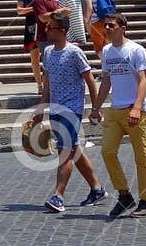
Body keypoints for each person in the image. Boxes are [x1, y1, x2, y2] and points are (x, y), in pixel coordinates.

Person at [37, 11, 108, 214]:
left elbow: (90, 80)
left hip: (72, 108)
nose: (46, 29)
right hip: (56, 108)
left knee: (65, 152)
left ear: (62, 30)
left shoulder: (75, 52)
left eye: (50, 27)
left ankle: (58, 195)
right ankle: (96, 188)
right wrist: (42, 107)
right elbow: (47, 82)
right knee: (73, 149)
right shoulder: (48, 52)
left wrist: (96, 108)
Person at [93, 13, 146, 217]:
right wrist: (96, 107)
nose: (107, 29)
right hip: (114, 110)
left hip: (134, 109)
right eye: (105, 26)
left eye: (111, 25)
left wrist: (137, 107)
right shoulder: (107, 52)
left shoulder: (136, 50)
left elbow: (143, 80)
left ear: (123, 27)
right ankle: (124, 195)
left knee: (141, 157)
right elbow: (106, 81)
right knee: (107, 151)